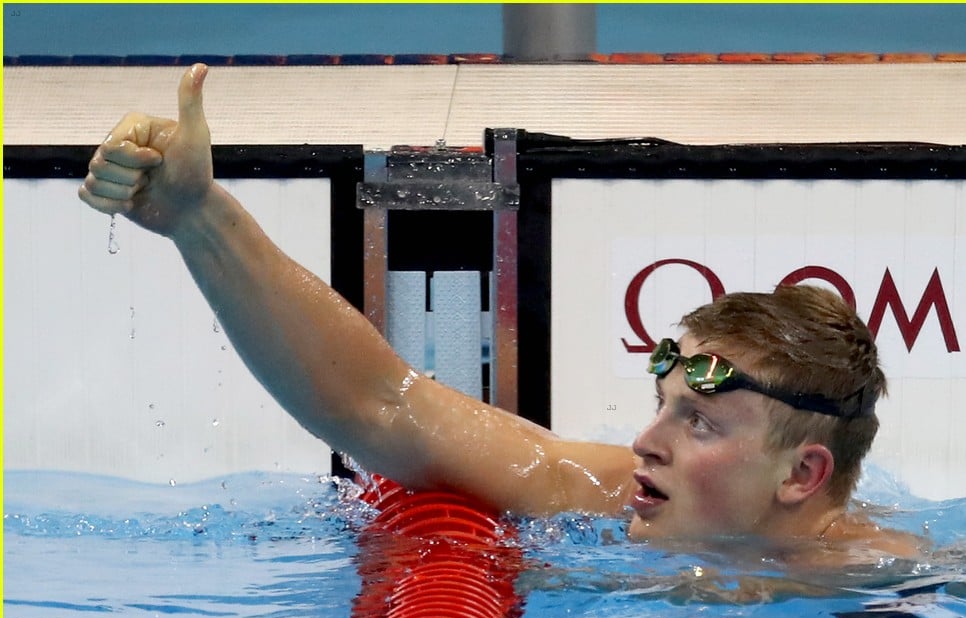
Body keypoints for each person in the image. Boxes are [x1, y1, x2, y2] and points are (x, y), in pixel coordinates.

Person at [79, 64, 923, 570]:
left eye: (698, 424)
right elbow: (378, 401)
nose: (645, 442)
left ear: (803, 476)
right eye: (663, 404)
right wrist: (198, 217)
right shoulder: (602, 495)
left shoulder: (898, 588)